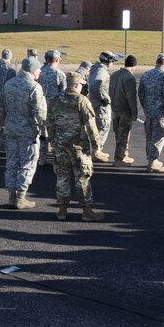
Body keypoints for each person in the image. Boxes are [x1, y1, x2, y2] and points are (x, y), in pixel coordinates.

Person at [47, 70, 104, 221]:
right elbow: (91, 125)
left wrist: (52, 141)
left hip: (60, 145)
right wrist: (97, 145)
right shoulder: (82, 100)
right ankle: (86, 211)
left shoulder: (55, 100)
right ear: (77, 85)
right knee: (82, 178)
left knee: (62, 177)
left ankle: (62, 210)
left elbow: (50, 123)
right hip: (78, 146)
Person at [0, 56, 48, 209]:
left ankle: (11, 197)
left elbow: (2, 108)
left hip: (11, 130)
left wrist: (1, 127)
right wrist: (45, 132)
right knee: (27, 164)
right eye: (38, 69)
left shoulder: (9, 84)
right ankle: (21, 197)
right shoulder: (34, 86)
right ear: (33, 70)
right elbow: (41, 113)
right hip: (28, 132)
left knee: (12, 163)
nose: (40, 72)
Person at [138, 53, 164, 173]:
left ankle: (151, 158)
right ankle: (153, 161)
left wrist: (145, 107)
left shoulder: (146, 75)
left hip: (149, 111)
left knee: (149, 135)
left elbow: (141, 93)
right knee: (159, 135)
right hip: (161, 112)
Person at [38, 50, 66, 164]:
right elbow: (64, 93)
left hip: (41, 106)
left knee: (43, 133)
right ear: (57, 59)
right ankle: (56, 158)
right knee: (55, 133)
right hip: (55, 108)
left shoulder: (40, 72)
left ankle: (42, 158)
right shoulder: (59, 74)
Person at [88, 51, 117, 162]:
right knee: (103, 127)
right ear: (107, 61)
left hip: (95, 103)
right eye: (112, 62)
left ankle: (97, 150)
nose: (112, 64)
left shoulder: (96, 69)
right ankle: (96, 151)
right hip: (101, 105)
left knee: (99, 127)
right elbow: (95, 84)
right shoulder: (101, 71)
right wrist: (103, 98)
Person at [109, 54, 139, 164]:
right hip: (125, 110)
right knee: (124, 135)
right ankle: (119, 158)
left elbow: (110, 91)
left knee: (118, 133)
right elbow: (131, 97)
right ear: (134, 65)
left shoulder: (114, 75)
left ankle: (123, 155)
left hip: (115, 108)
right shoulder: (129, 78)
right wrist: (134, 112)